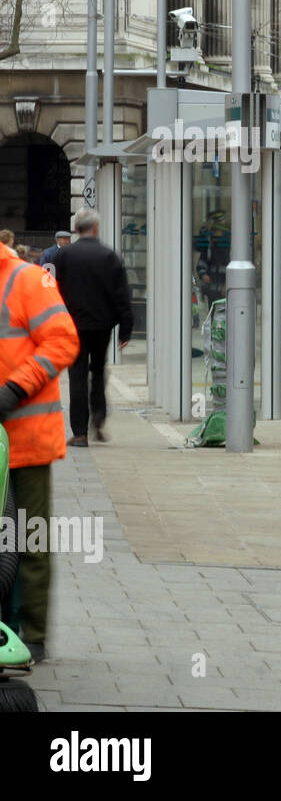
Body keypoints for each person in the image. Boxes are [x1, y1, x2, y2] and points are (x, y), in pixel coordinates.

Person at [0, 238, 80, 663]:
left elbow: (63, 340)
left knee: (28, 537)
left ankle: (33, 634)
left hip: (25, 437)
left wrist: (15, 387)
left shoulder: (26, 280)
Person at [49, 208, 133, 446]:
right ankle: (98, 415)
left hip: (72, 325)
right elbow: (122, 295)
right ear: (95, 228)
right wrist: (125, 328)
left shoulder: (63, 256)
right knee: (97, 369)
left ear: (76, 229)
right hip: (102, 325)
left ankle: (79, 432)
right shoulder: (109, 256)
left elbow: (50, 290)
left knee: (77, 374)